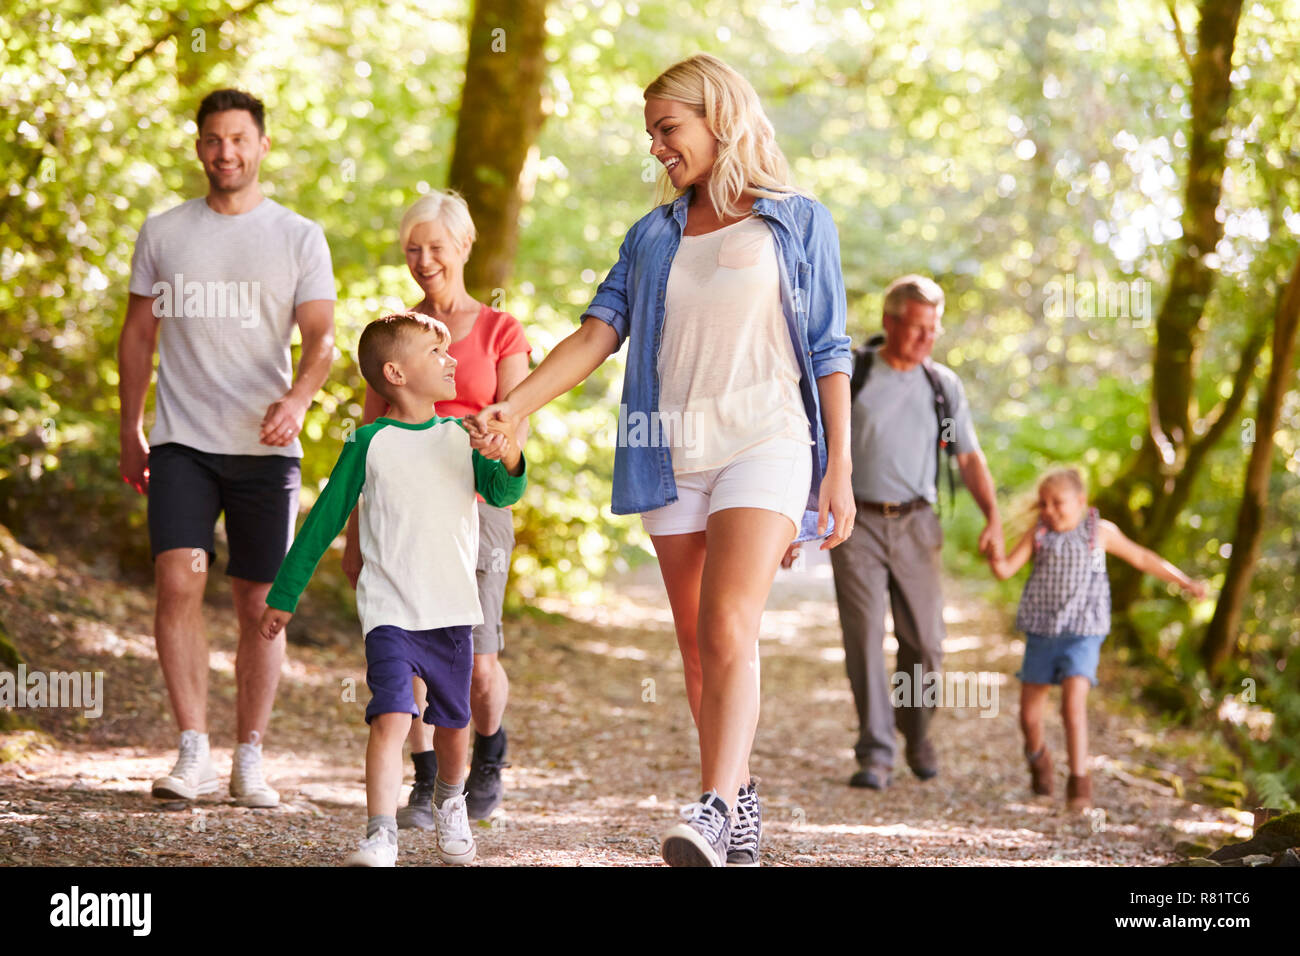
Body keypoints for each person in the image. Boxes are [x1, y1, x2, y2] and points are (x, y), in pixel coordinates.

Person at [468, 53, 854, 867]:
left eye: (668, 129)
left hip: (769, 440)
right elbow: (596, 333)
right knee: (691, 640)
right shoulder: (652, 236)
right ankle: (742, 800)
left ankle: (712, 805)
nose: (657, 147)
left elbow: (829, 348)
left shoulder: (799, 220)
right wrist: (515, 406)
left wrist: (837, 468)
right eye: (651, 133)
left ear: (719, 117)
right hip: (671, 451)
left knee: (727, 623)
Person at [118, 89, 336, 807]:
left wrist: (298, 400)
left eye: (238, 138)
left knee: (258, 604)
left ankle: (250, 756)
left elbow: (322, 339)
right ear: (198, 147)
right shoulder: (165, 232)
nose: (226, 152)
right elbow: (139, 336)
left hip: (264, 448)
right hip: (182, 438)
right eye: (213, 139)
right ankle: (192, 753)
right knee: (179, 576)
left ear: (262, 145)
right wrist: (130, 426)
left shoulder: (298, 236)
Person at [259, 312, 526, 866]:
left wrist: (509, 454)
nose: (452, 361)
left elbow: (503, 493)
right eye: (437, 354)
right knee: (390, 717)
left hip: (452, 611)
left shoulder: (462, 437)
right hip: (389, 612)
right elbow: (323, 523)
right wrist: (284, 596)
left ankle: (450, 801)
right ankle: (380, 832)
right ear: (396, 373)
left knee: (453, 727)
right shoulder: (368, 443)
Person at [341, 192, 531, 825]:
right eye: (412, 249)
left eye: (436, 248)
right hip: (401, 515)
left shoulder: (501, 330)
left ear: (465, 247)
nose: (424, 260)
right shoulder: (397, 336)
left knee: (477, 659)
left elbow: (515, 425)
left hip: (477, 506)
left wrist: (495, 445)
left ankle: (487, 756)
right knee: (409, 647)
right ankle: (424, 781)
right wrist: (353, 532)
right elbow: (366, 439)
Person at [810, 274, 1001, 791]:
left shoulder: (943, 385)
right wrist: (798, 520)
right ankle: (875, 751)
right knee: (865, 637)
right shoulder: (855, 375)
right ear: (890, 323)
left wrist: (994, 518)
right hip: (856, 523)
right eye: (916, 328)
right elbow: (818, 450)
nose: (925, 339)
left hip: (919, 523)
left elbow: (968, 457)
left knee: (925, 644)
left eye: (933, 330)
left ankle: (915, 732)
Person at [989, 467, 1206, 811]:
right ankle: (1038, 758)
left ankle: (1079, 786)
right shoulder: (1039, 533)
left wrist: (1184, 582)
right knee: (1029, 716)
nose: (1048, 510)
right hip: (1043, 633)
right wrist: (993, 549)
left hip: (1083, 633)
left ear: (1080, 501)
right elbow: (1004, 570)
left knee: (1072, 704)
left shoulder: (1099, 532)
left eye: (1057, 503)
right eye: (1043, 504)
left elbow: (1142, 557)